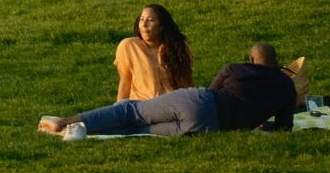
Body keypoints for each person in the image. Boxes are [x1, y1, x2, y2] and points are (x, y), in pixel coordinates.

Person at [40, 43, 298, 139]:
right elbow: (285, 127)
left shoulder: (236, 69)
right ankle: (81, 132)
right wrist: (263, 124)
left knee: (131, 110)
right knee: (138, 132)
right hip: (210, 127)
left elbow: (211, 91)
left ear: (251, 60)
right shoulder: (287, 86)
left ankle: (65, 123)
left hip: (199, 103)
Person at [113, 4, 194, 101]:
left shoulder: (176, 47)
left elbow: (186, 84)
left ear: (162, 26)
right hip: (143, 106)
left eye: (150, 20)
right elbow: (125, 82)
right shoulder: (128, 46)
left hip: (173, 105)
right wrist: (120, 110)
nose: (144, 25)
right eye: (142, 20)